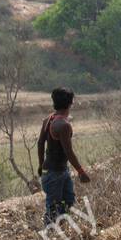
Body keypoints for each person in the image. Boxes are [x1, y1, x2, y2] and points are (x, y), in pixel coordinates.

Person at [35, 87, 90, 227]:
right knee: (53, 210)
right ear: (70, 103)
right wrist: (81, 172)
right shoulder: (63, 125)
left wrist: (41, 165)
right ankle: (49, 238)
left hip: (57, 171)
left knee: (69, 201)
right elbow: (68, 152)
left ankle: (60, 231)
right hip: (55, 173)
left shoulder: (48, 119)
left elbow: (40, 143)